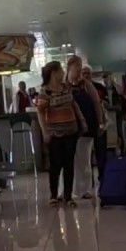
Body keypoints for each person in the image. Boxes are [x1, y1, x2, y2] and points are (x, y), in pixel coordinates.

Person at [37, 60, 86, 207]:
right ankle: (53, 194)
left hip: (70, 130)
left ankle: (68, 196)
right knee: (55, 164)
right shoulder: (45, 92)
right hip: (54, 132)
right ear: (54, 73)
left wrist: (82, 120)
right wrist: (45, 131)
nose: (63, 73)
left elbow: (73, 104)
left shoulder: (66, 88)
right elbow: (40, 112)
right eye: (61, 71)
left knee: (69, 163)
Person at [67, 58, 104, 199]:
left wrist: (100, 122)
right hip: (70, 127)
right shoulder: (65, 86)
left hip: (88, 125)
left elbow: (96, 103)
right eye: (77, 66)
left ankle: (86, 188)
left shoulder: (86, 85)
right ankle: (72, 188)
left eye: (80, 66)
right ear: (70, 67)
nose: (79, 69)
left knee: (84, 158)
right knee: (71, 159)